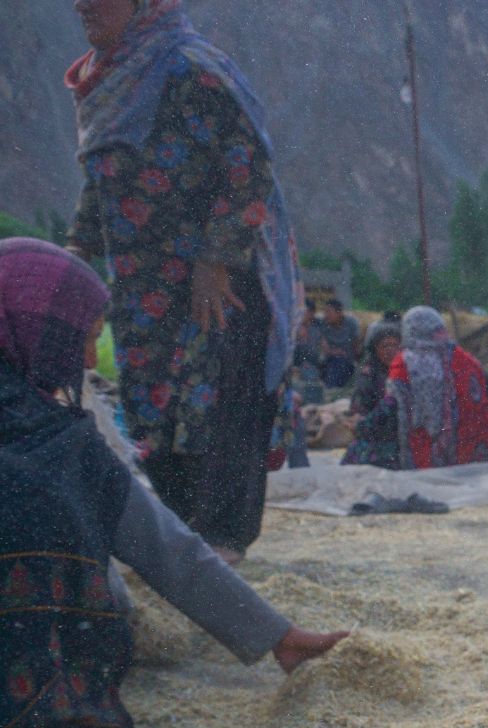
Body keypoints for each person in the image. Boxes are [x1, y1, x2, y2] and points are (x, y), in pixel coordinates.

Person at [0, 239, 345, 728]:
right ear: (32, 329)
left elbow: (165, 546)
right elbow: (162, 547)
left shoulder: (61, 436)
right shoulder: (63, 445)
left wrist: (276, 635)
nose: (92, 360)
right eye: (85, 339)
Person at [66, 0, 300, 563]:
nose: (83, 4)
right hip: (146, 286)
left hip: (220, 280)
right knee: (154, 406)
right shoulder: (109, 84)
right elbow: (105, 179)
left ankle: (223, 542)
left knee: (219, 404)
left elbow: (248, 162)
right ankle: (181, 545)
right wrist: (75, 252)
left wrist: (215, 259)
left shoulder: (191, 67)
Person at [342, 307, 488, 471]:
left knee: (360, 450)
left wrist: (361, 427)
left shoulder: (406, 363)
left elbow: (390, 410)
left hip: (431, 457)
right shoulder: (465, 359)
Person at [351, 311, 402, 417]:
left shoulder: (404, 368)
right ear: (375, 349)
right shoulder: (369, 371)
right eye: (385, 346)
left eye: (394, 345)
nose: (390, 351)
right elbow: (358, 404)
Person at [314, 298, 360, 391]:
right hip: (329, 361)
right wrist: (334, 352)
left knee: (340, 365)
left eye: (329, 312)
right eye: (325, 312)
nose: (326, 315)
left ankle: (332, 390)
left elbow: (356, 346)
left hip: (347, 362)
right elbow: (324, 346)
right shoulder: (322, 323)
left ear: (339, 312)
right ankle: (331, 390)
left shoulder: (351, 323)